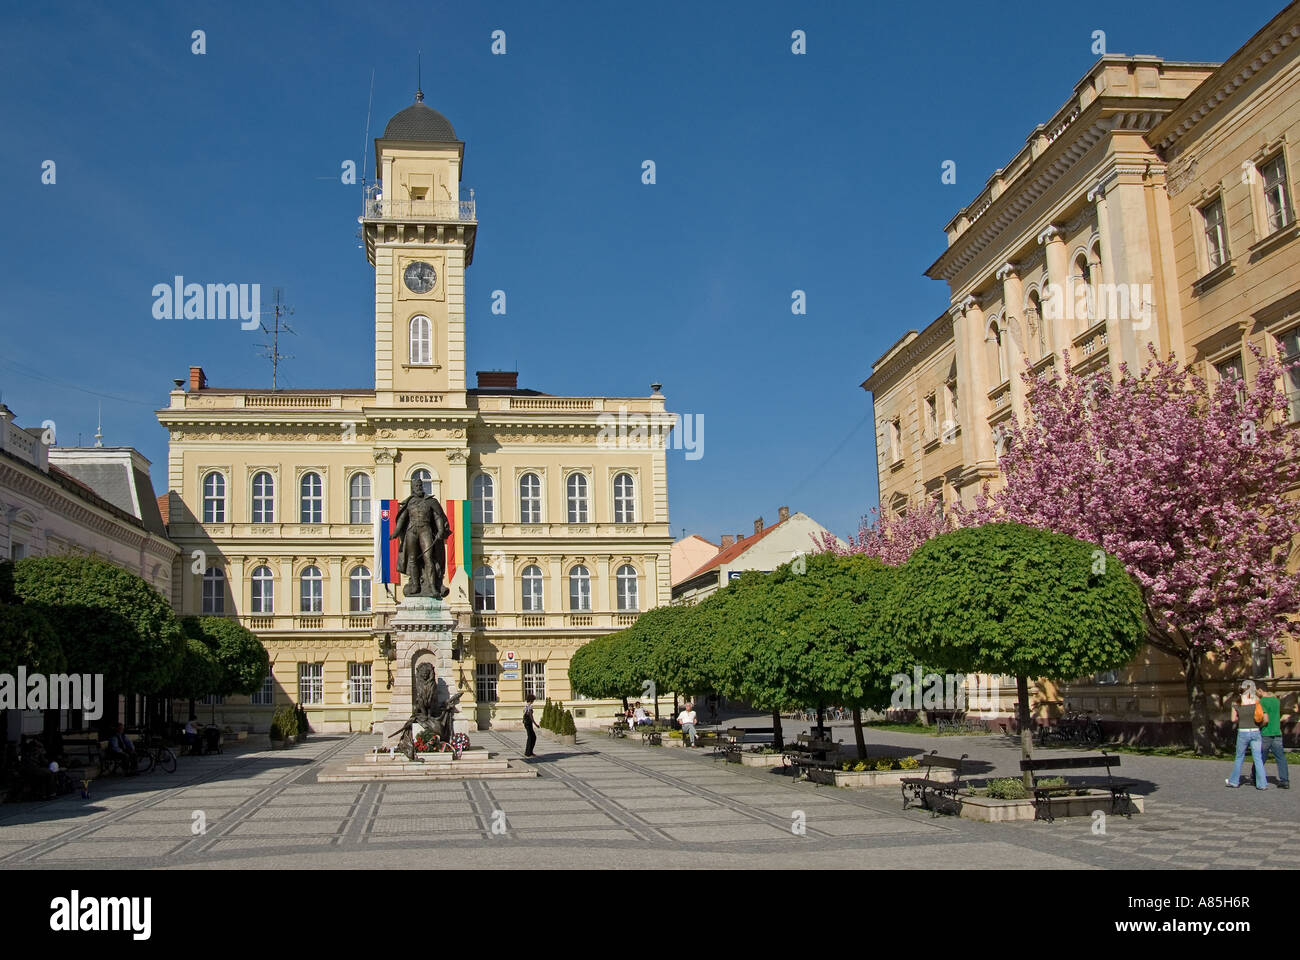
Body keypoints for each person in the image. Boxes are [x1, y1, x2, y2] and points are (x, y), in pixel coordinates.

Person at [1226, 682, 1267, 790]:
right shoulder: (1256, 701)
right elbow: (1261, 716)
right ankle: (1262, 784)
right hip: (1255, 731)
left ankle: (1234, 781)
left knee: (1239, 757)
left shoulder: (1236, 702)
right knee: (1258, 758)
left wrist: (1242, 717)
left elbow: (1233, 719)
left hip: (1243, 731)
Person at [1256, 682, 1289, 789]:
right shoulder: (1276, 700)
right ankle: (1285, 780)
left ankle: (1255, 775)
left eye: (1256, 691)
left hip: (1266, 733)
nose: (1256, 694)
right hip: (1277, 732)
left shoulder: (1261, 702)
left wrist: (1259, 726)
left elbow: (1265, 720)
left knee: (1260, 757)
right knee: (1280, 757)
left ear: (1260, 690)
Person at [522, 693, 539, 758]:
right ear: (531, 700)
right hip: (528, 723)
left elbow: (525, 714)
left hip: (526, 723)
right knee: (532, 737)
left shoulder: (526, 706)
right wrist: (535, 724)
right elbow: (530, 716)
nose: (533, 701)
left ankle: (529, 752)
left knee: (531, 737)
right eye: (533, 700)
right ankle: (528, 752)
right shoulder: (530, 706)